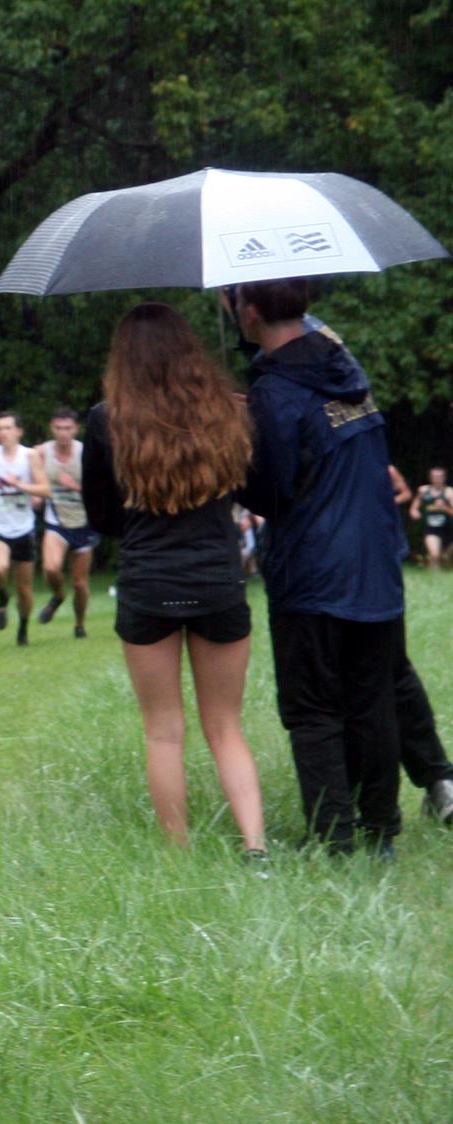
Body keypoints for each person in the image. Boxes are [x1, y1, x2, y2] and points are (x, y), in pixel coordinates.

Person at [80, 304, 267, 859]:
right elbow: (250, 491)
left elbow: (102, 518)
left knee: (164, 730)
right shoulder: (226, 414)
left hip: (147, 586)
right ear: (189, 354)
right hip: (217, 583)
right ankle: (255, 847)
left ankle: (177, 852)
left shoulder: (105, 421)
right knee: (226, 728)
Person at [233, 278, 406, 856]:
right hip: (377, 563)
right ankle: (381, 828)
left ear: (250, 314)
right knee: (373, 699)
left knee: (312, 710)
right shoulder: (346, 369)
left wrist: (243, 440)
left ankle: (335, 837)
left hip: (312, 572)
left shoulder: (277, 395)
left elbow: (270, 494)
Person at [0, 412, 51, 647]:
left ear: (19, 431)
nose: (3, 433)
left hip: (23, 529)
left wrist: (21, 485)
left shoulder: (30, 456)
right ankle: (2, 597)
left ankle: (23, 628)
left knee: (24, 589)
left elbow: (45, 490)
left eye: (7, 428)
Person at [36, 407, 99, 638]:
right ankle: (58, 595)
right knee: (51, 568)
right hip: (57, 521)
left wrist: (74, 486)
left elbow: (102, 492)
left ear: (76, 429)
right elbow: (25, 469)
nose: (63, 433)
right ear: (51, 429)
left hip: (84, 523)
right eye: (58, 428)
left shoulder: (87, 454)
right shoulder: (41, 452)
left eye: (67, 428)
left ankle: (79, 624)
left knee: (80, 583)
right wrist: (34, 493)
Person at [409, 465, 449, 570]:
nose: (437, 479)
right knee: (435, 556)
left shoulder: (449, 493)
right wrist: (414, 511)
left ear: (444, 478)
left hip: (449, 530)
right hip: (432, 530)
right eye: (434, 477)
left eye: (439, 477)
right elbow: (414, 507)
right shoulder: (423, 490)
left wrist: (445, 508)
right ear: (430, 478)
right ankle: (435, 581)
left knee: (446, 559)